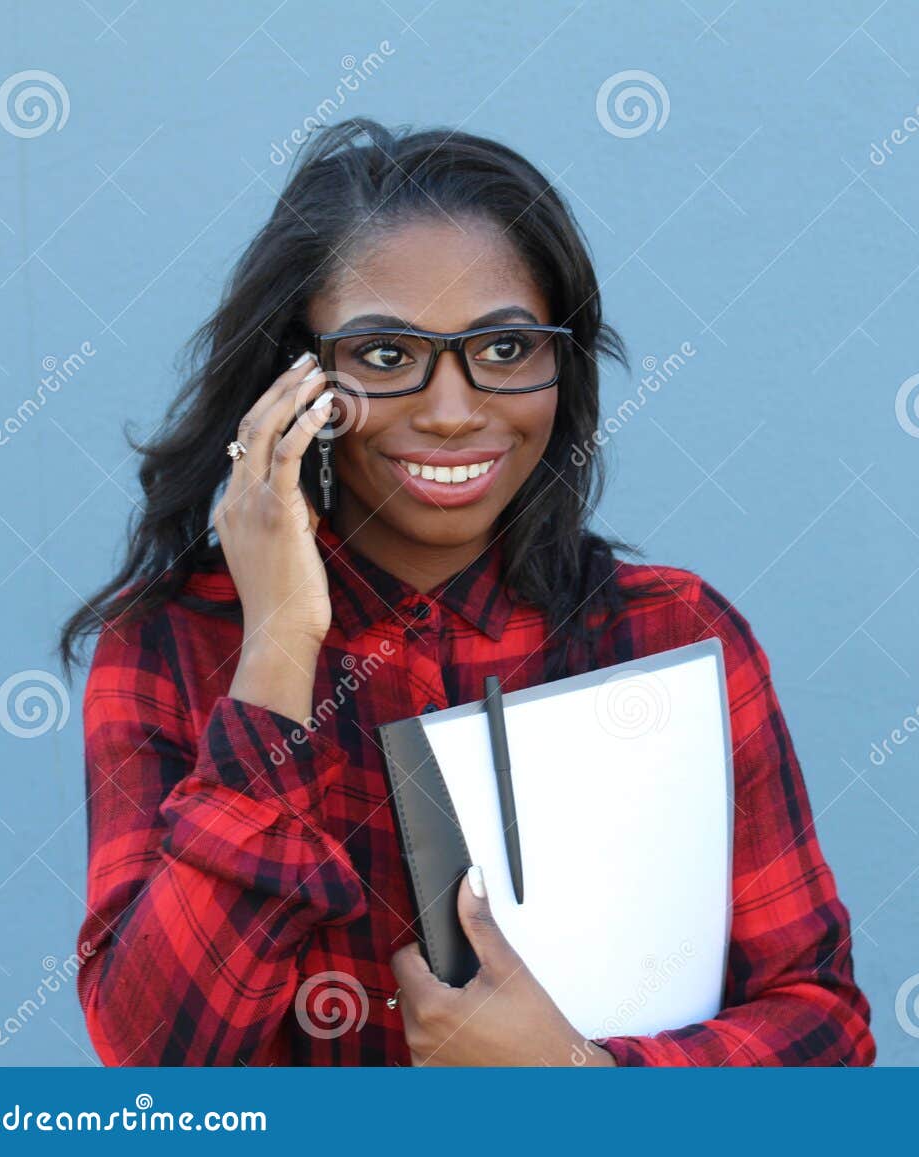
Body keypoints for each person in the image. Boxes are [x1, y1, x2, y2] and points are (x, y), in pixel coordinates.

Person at [59, 117, 875, 1067]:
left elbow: (824, 1027)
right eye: (386, 356)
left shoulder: (671, 634)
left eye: (504, 349)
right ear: (295, 377)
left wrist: (585, 1079)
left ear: (560, 367)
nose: (452, 412)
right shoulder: (174, 647)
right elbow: (158, 1061)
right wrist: (278, 643)